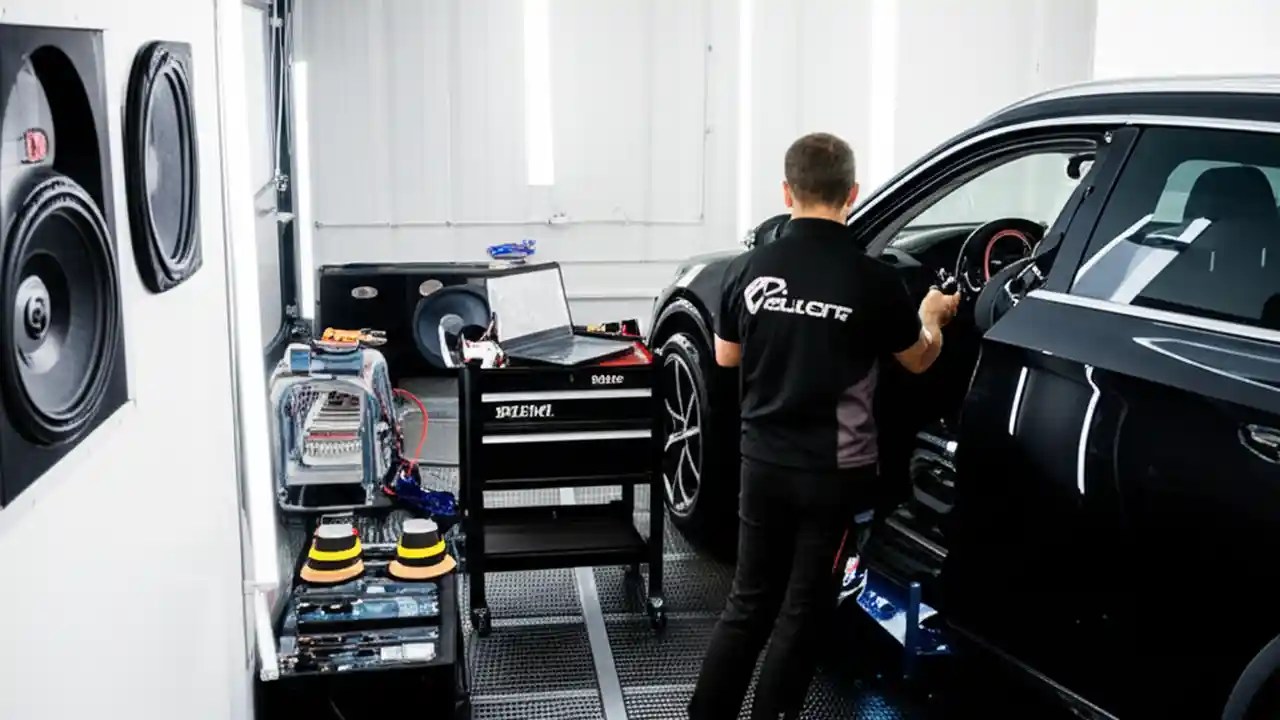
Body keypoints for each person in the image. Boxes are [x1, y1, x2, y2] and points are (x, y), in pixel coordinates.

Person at [688, 132, 960, 720]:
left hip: (761, 463)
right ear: (853, 194)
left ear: (786, 191)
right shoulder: (874, 281)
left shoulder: (748, 268)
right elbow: (920, 358)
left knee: (747, 603)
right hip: (834, 475)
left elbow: (726, 356)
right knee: (802, 609)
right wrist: (931, 315)